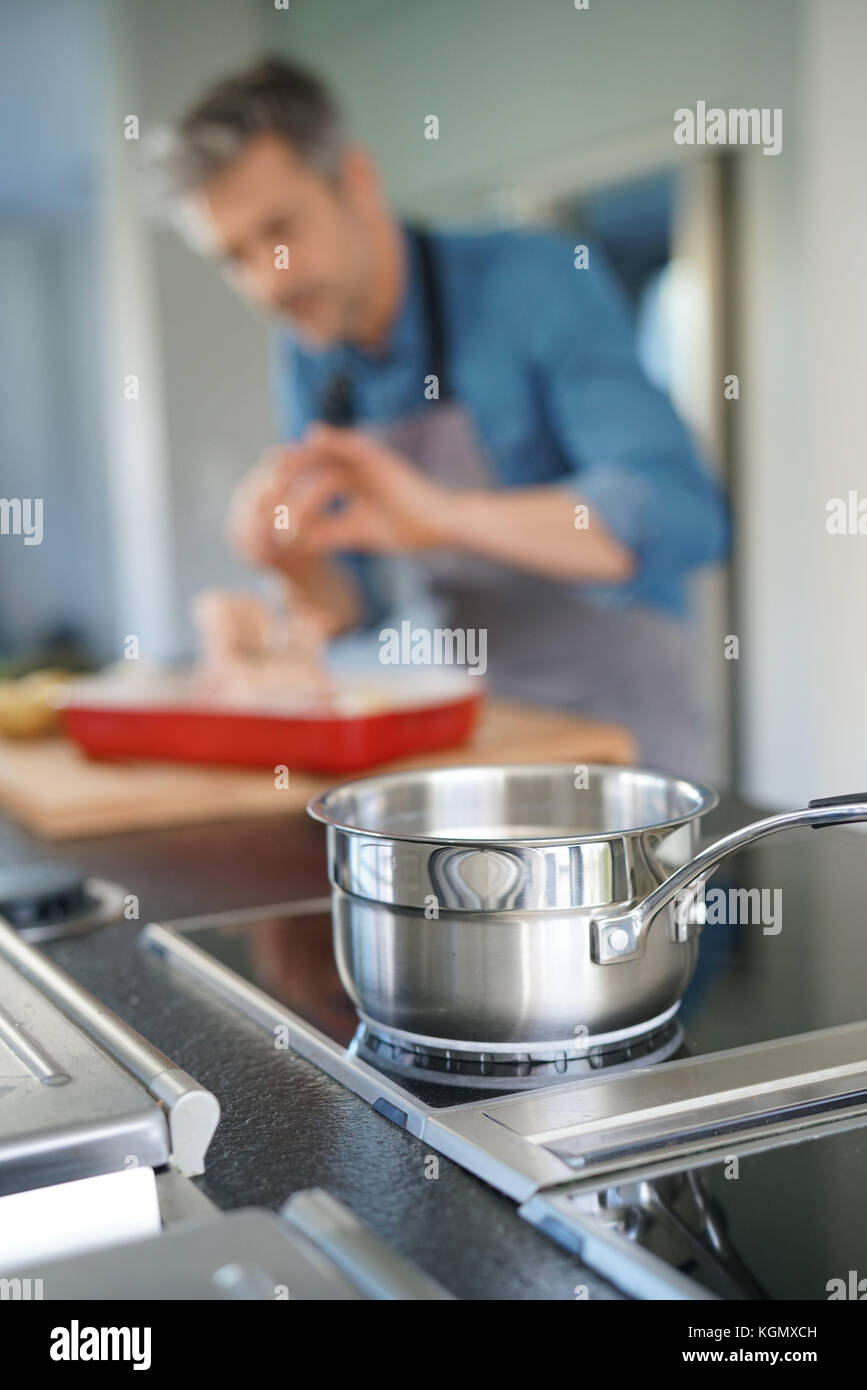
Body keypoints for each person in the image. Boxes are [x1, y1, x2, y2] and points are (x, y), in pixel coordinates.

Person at [151, 57, 730, 773]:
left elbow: (681, 511)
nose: (268, 281)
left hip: (620, 747)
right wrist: (291, 568)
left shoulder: (535, 281)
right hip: (469, 743)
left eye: (280, 230)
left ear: (356, 181)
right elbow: (353, 598)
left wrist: (443, 516)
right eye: (233, 256)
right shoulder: (311, 353)